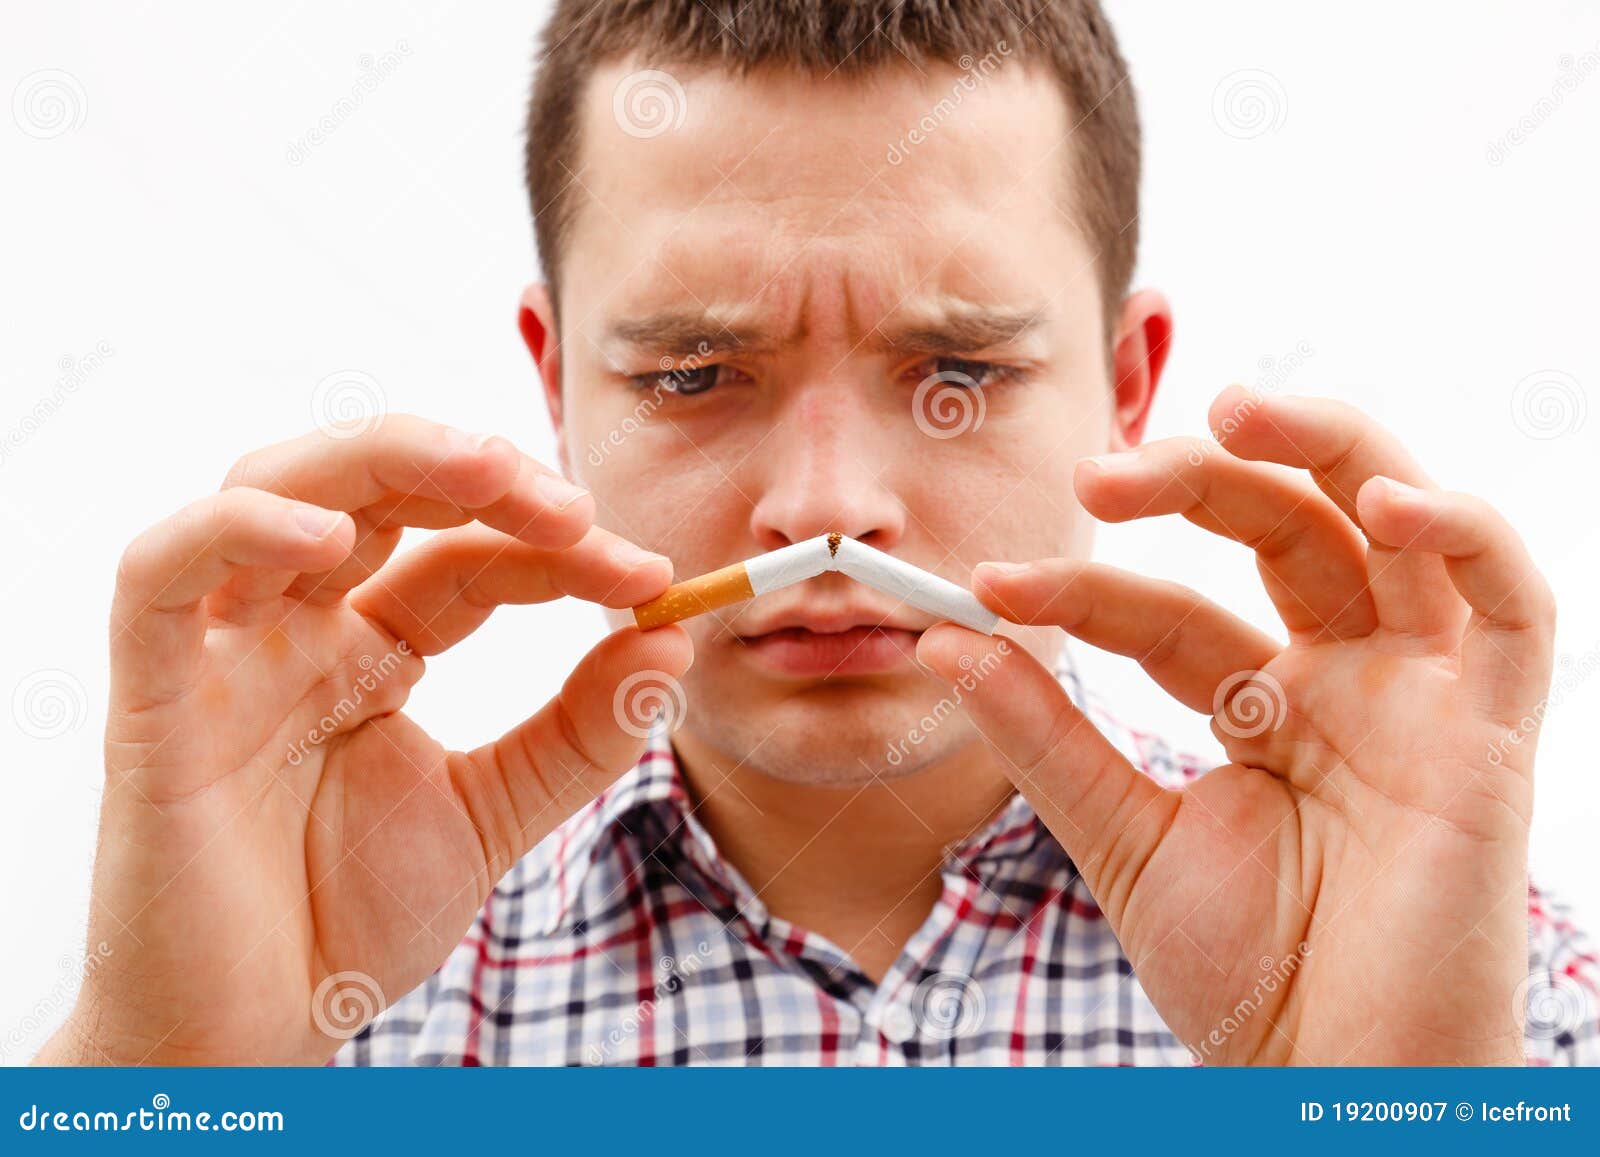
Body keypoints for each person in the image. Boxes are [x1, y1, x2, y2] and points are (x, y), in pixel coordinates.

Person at [38, 0, 1598, 1067]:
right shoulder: (335, 991)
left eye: (959, 372)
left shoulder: (1489, 988)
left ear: (1128, 383)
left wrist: (1404, 1115)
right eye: (696, 374)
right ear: (559, 388)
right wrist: (161, 1092)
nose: (829, 507)